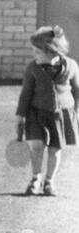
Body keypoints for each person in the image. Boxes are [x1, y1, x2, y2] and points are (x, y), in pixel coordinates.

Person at [15, 25, 78, 196]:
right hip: (36, 113)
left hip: (61, 115)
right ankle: (35, 178)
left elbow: (77, 91)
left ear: (52, 51)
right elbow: (26, 93)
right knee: (36, 147)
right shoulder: (32, 68)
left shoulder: (71, 66)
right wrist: (20, 115)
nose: (34, 55)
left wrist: (76, 113)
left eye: (37, 52)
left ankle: (49, 181)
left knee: (55, 150)